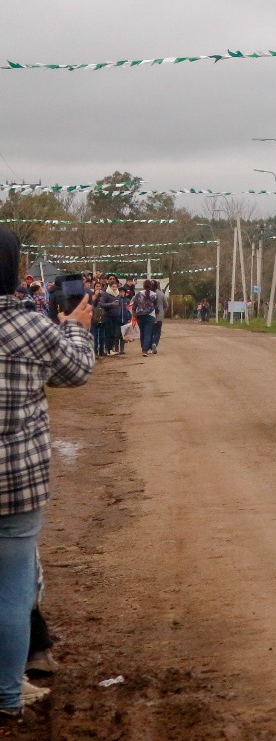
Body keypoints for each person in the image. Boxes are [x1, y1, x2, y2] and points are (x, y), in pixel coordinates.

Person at [0, 228, 94, 715]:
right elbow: (76, 371)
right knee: (13, 591)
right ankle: (7, 694)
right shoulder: (31, 328)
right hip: (16, 485)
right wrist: (75, 327)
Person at [132, 280, 160, 356]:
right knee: (148, 333)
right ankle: (145, 349)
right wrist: (156, 317)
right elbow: (156, 308)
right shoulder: (154, 295)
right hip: (150, 316)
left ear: (143, 286)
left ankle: (143, 348)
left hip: (140, 316)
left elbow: (134, 306)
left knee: (142, 333)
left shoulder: (139, 294)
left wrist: (134, 315)